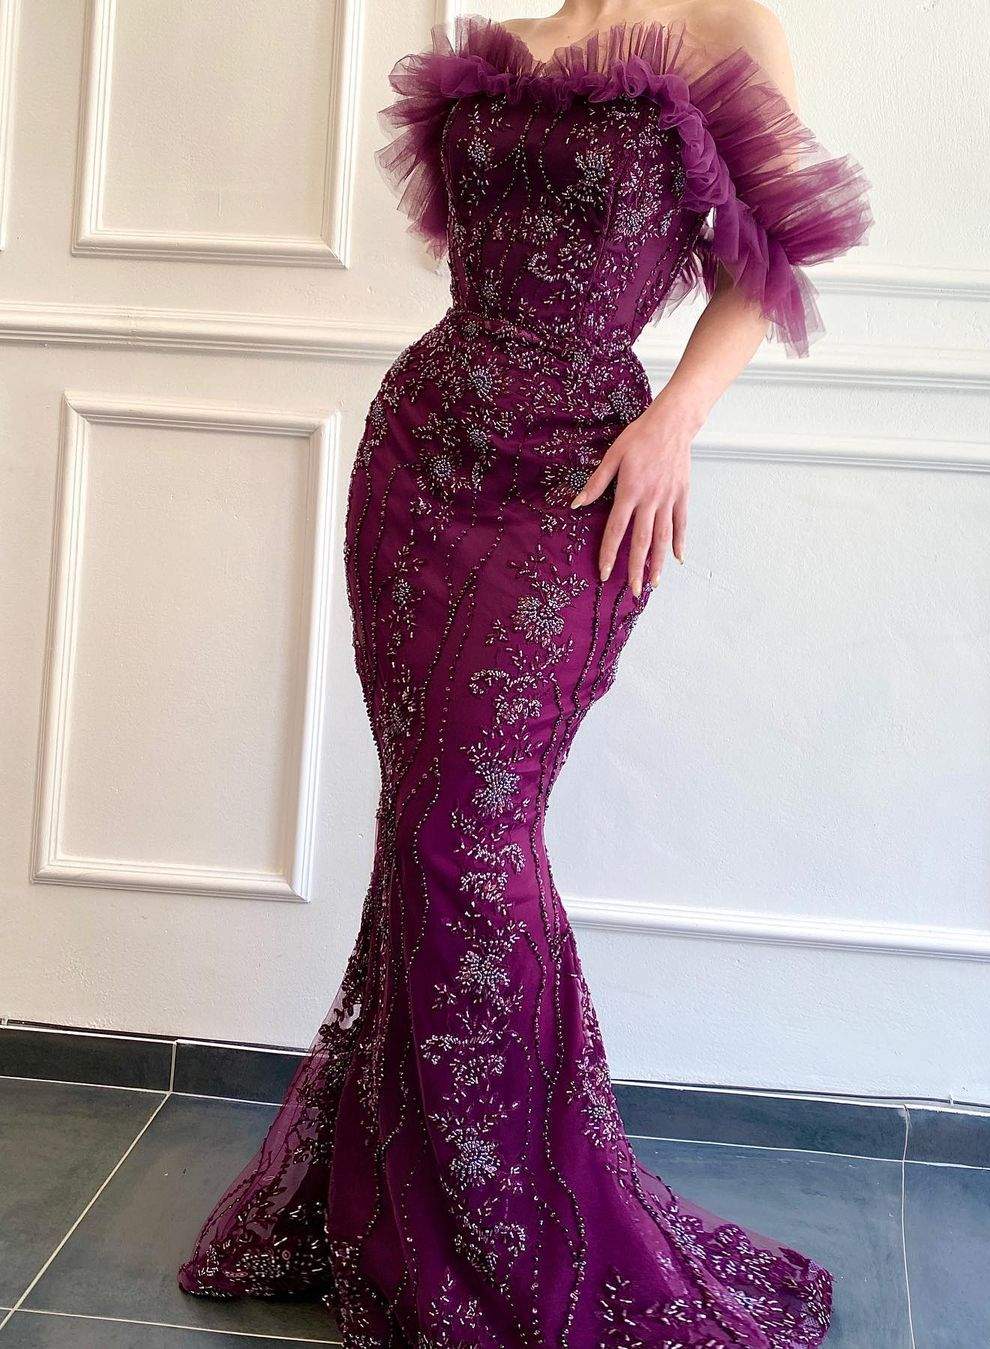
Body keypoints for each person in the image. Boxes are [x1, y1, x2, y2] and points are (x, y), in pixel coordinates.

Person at [177, 3, 872, 1344]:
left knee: (470, 833)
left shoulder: (725, 23)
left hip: (579, 478)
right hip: (418, 456)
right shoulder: (507, 41)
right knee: (424, 829)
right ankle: (404, 1199)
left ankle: (528, 1217)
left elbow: (771, 255)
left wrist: (675, 419)